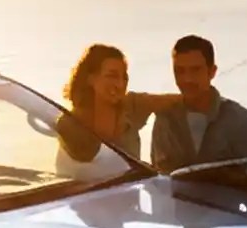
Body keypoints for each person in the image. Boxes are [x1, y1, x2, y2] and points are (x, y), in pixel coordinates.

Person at [145, 35, 247, 190]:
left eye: (195, 70)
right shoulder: (165, 119)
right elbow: (159, 183)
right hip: (178, 212)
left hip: (227, 212)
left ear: (212, 71)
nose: (187, 79)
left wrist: (225, 177)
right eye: (179, 71)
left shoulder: (241, 120)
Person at [55, 44, 180, 174]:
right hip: (88, 193)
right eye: (112, 76)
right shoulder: (69, 124)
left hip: (131, 190)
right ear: (91, 78)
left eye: (124, 77)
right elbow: (89, 162)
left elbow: (181, 100)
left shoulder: (132, 105)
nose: (120, 84)